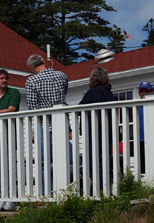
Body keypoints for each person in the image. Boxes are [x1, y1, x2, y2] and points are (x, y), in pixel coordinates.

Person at [24, 53, 69, 194]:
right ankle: (64, 192)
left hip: (44, 126)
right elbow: (64, 94)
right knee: (64, 160)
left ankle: (47, 195)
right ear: (43, 62)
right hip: (62, 125)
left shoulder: (32, 81)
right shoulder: (62, 76)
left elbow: (32, 107)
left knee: (44, 163)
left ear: (31, 67)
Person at [78, 66, 115, 193]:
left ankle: (98, 189)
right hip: (107, 131)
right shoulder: (109, 93)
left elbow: (80, 109)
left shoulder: (92, 92)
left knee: (92, 161)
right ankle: (104, 188)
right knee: (105, 159)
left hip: (94, 131)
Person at [137, 81, 154, 176]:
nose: (144, 93)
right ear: (138, 93)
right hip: (141, 141)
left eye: (146, 91)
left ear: (151, 92)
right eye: (142, 91)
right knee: (143, 169)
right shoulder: (138, 107)